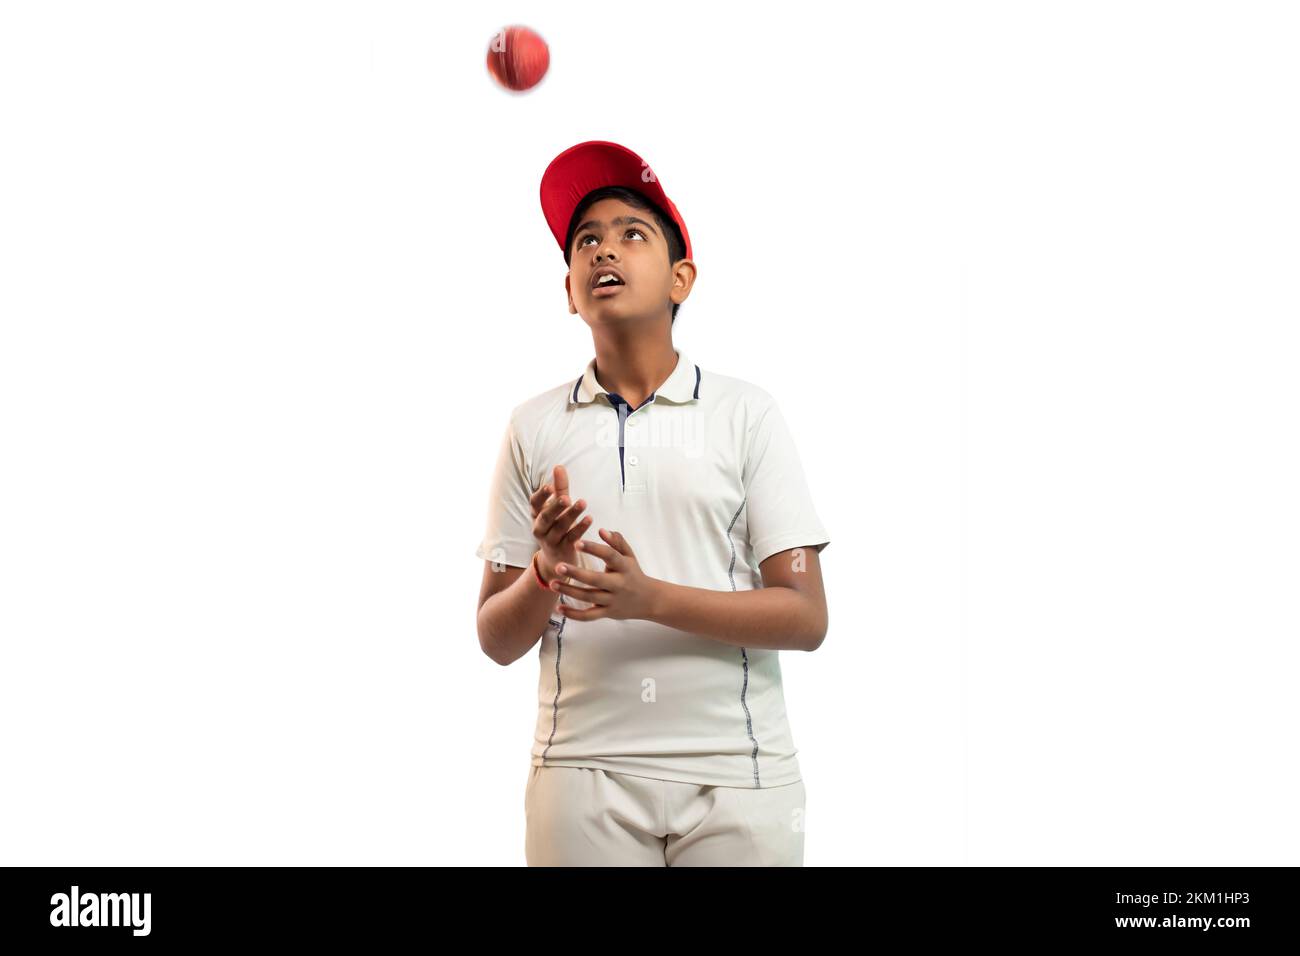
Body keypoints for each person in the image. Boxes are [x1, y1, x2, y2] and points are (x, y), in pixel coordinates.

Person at [474, 141, 830, 866]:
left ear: (681, 278)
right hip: (580, 778)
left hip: (740, 777)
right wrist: (544, 571)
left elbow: (805, 616)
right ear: (571, 291)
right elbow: (495, 638)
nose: (605, 248)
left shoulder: (746, 415)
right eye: (586, 240)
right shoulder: (532, 427)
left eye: (631, 233)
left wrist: (647, 597)